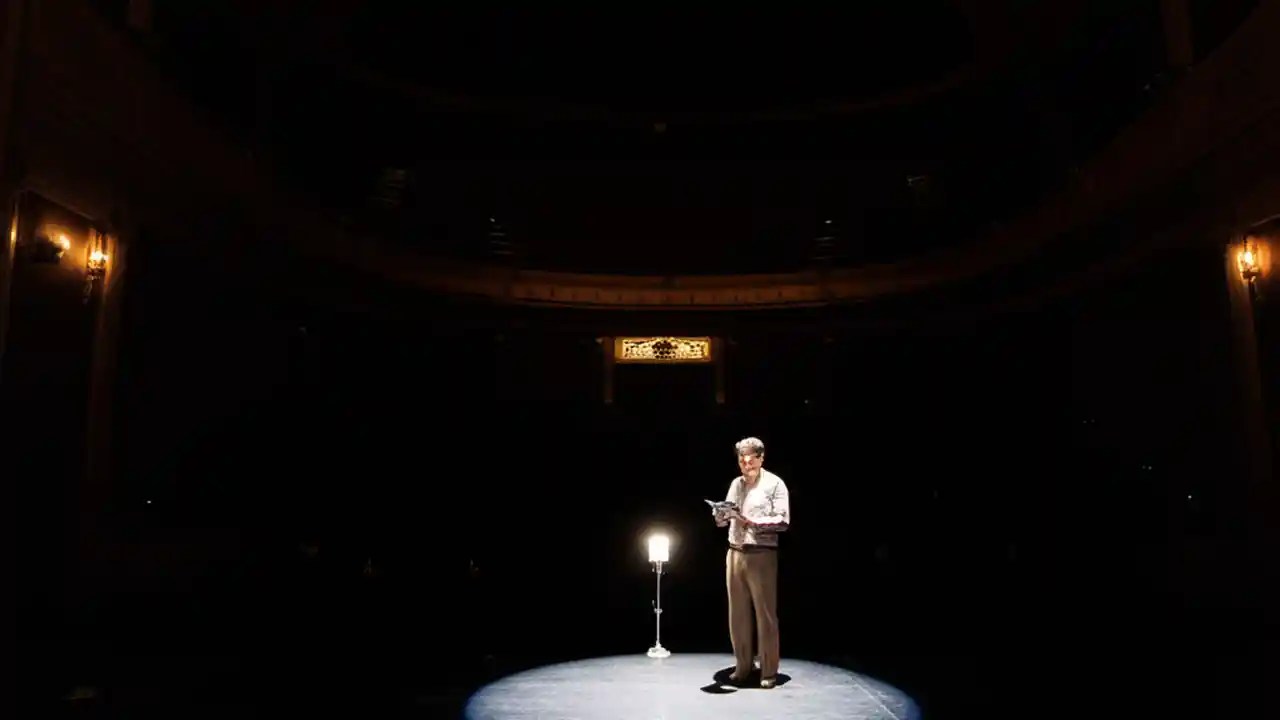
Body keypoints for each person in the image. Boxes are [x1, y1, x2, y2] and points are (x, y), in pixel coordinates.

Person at [713, 436, 790, 688]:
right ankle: (743, 666)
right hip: (735, 553)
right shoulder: (736, 484)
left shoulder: (775, 484)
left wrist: (752, 522)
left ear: (761, 457)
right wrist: (720, 514)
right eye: (742, 460)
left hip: (761, 554)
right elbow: (724, 520)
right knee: (737, 614)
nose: (746, 465)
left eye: (750, 459)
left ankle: (768, 670)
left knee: (765, 614)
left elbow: (783, 520)